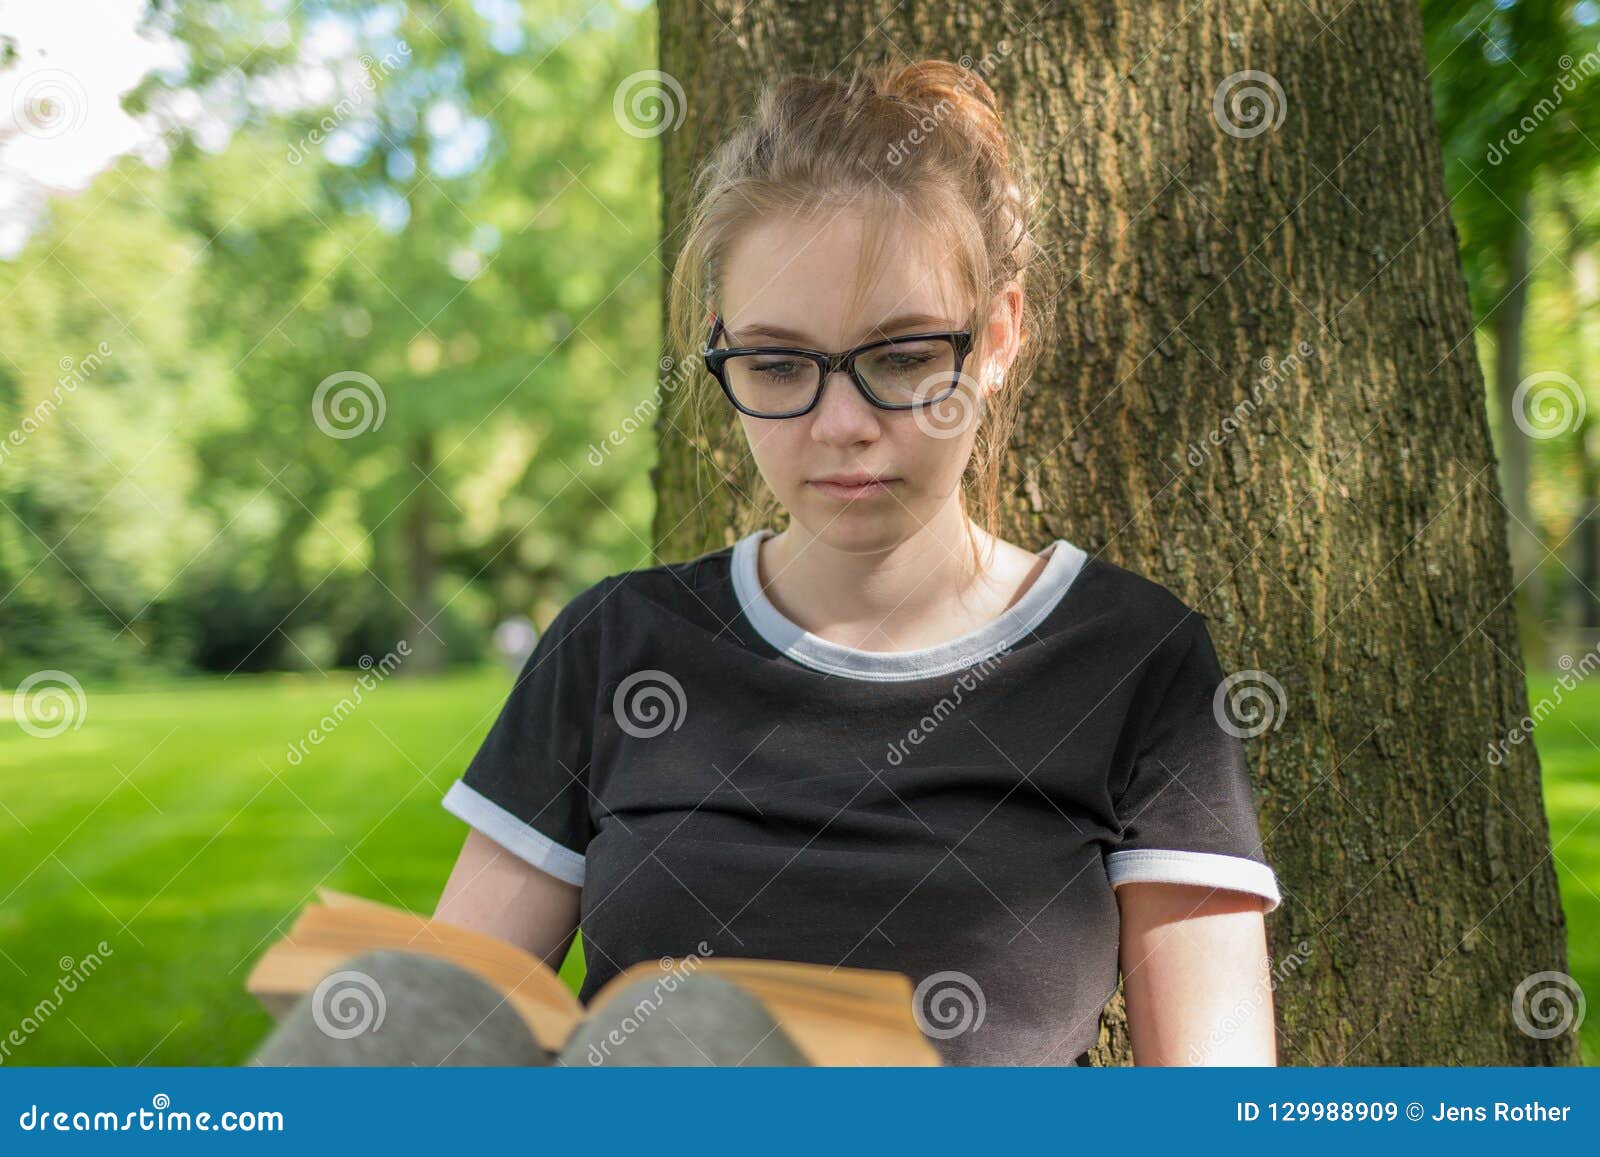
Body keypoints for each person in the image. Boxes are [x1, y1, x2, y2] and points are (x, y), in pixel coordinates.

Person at [430, 55, 1284, 1068]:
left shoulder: (1135, 660)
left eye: (901, 356)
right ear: (722, 349)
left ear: (998, 335)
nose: (841, 425)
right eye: (778, 362)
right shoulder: (615, 645)